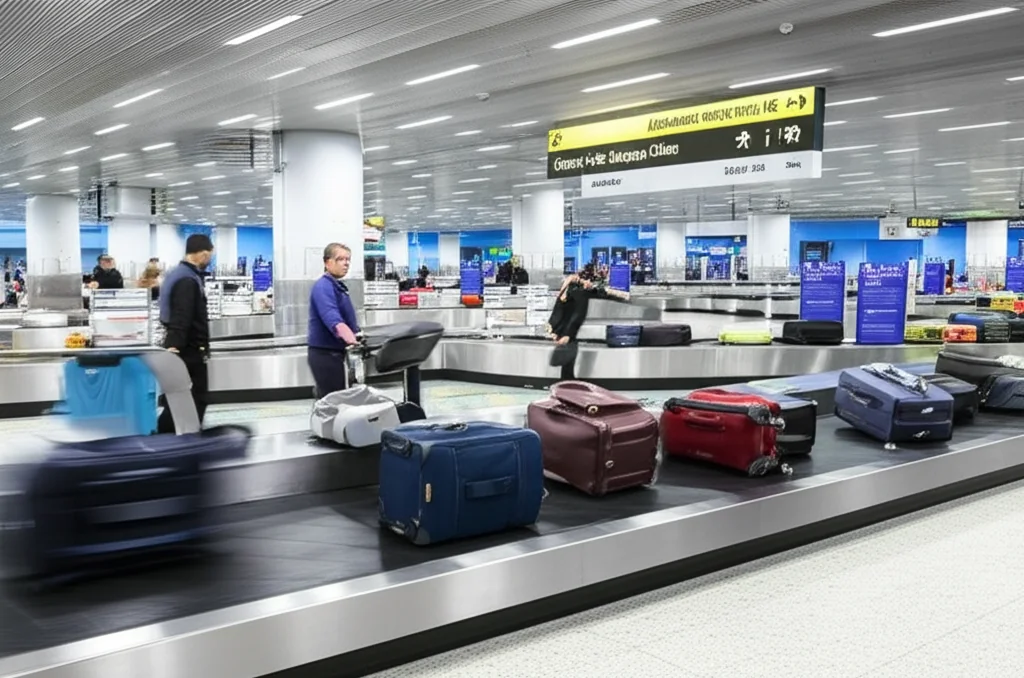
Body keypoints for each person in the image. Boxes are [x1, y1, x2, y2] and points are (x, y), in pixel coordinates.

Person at [156, 234, 214, 434]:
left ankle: (173, 439)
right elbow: (182, 316)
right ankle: (178, 440)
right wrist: (174, 346)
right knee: (194, 398)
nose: (209, 260)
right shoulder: (187, 280)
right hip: (187, 351)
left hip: (180, 349)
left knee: (179, 399)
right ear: (204, 254)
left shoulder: (178, 274)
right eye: (209, 255)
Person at [546, 264, 629, 380]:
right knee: (569, 356)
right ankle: (567, 382)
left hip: (562, 328)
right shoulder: (580, 294)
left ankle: (567, 381)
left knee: (569, 359)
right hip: (567, 330)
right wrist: (567, 334)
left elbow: (561, 303)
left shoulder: (574, 289)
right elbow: (577, 314)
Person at [307, 243, 361, 398]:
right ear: (327, 262)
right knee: (332, 402)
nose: (346, 263)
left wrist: (357, 332)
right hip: (325, 355)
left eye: (348, 259)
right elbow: (331, 317)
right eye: (340, 259)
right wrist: (350, 337)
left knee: (331, 400)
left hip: (335, 353)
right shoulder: (323, 286)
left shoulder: (337, 286)